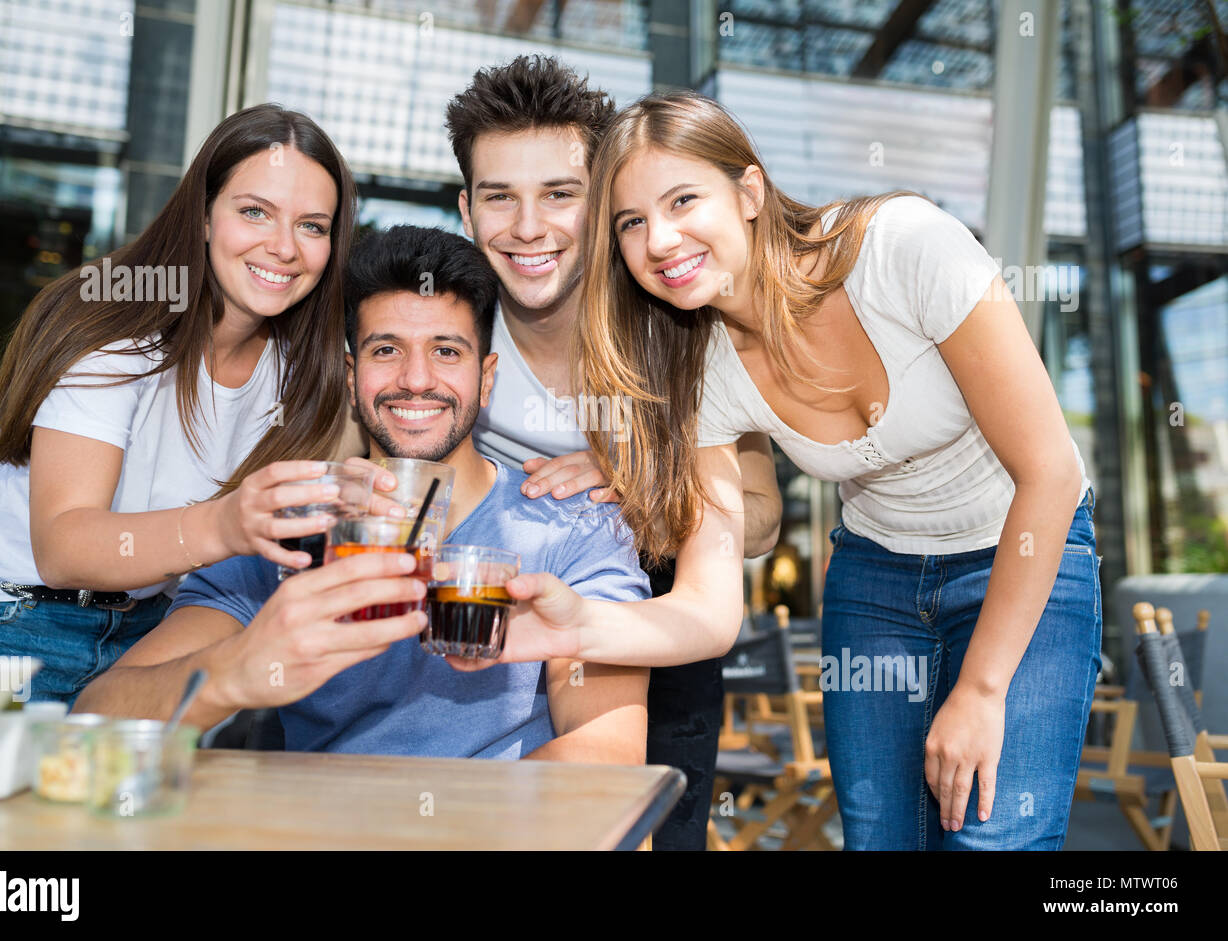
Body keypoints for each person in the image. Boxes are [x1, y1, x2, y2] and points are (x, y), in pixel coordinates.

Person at [569, 90, 1101, 850]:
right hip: (876, 581)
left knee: (994, 841)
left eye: (683, 198)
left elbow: (1049, 471)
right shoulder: (704, 369)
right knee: (881, 841)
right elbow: (717, 578)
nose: (659, 238)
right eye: (631, 222)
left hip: (1024, 553)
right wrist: (581, 596)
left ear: (749, 191)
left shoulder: (904, 247)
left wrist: (983, 689)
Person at [73, 226, 649, 763]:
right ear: (352, 378)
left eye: (447, 351)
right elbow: (96, 716)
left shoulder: (577, 526)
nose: (416, 380)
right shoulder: (288, 529)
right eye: (386, 350)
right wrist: (233, 673)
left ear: (487, 376)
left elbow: (604, 759)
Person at [0, 103, 379, 704]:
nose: (284, 247)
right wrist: (226, 524)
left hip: (146, 636)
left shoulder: (298, 370)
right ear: (203, 218)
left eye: (312, 226)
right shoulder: (116, 327)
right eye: (254, 213)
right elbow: (63, 549)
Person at [444, 55, 782, 845]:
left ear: (602, 204)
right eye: (500, 197)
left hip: (653, 626)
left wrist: (647, 477)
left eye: (560, 195)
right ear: (467, 209)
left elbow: (759, 523)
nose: (529, 228)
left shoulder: (685, 329)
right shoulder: (449, 331)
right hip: (487, 614)